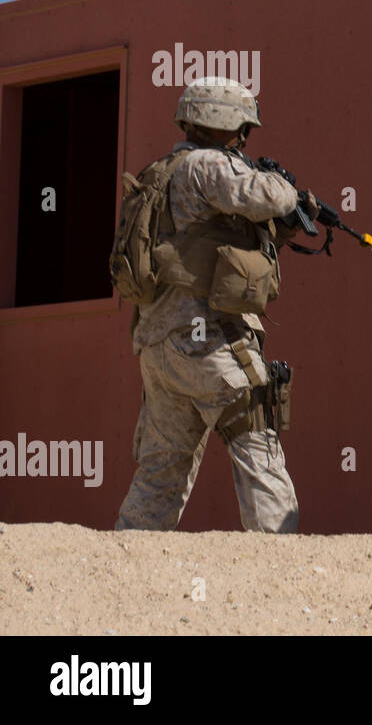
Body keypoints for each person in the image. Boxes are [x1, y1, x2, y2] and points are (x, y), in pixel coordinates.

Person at [115, 77, 317, 532]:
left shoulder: (160, 172)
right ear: (225, 123)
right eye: (243, 127)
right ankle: (277, 567)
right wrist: (284, 186)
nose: (245, 138)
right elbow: (268, 196)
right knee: (258, 446)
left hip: (157, 346)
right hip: (208, 341)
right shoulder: (208, 166)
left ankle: (127, 566)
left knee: (159, 473)